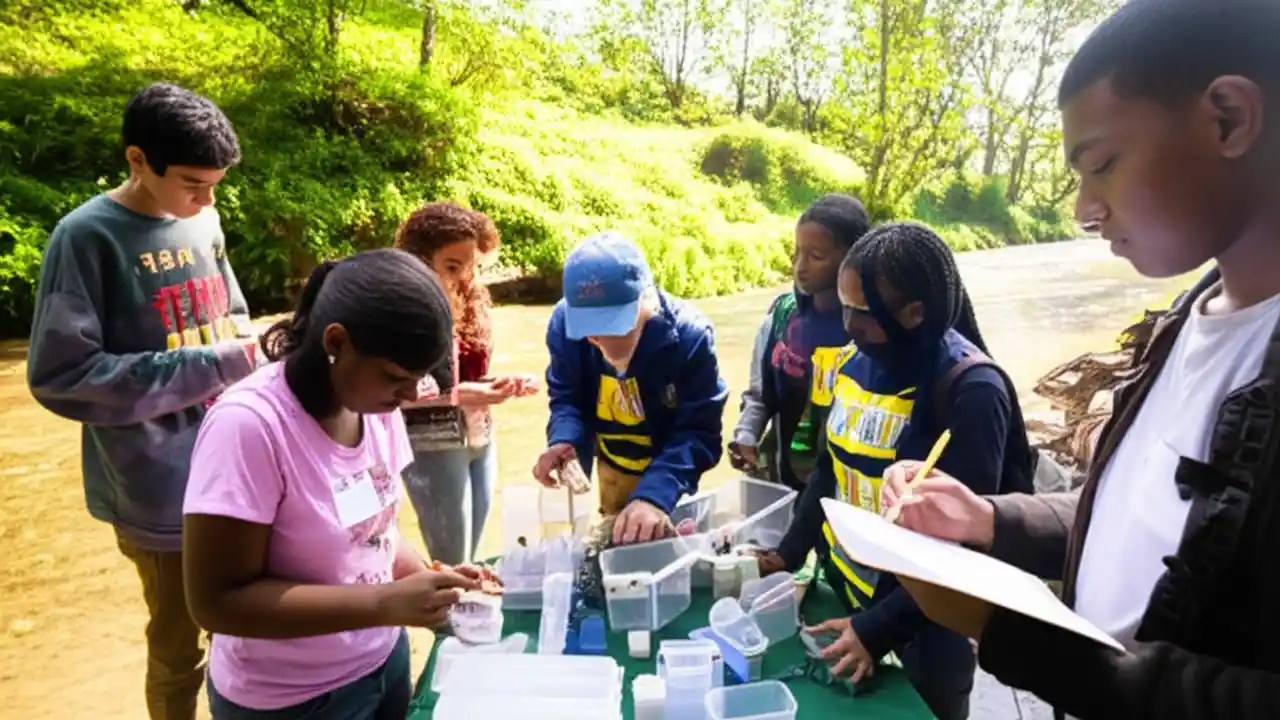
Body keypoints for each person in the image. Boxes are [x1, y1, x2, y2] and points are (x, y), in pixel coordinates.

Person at [879, 2, 1280, 718]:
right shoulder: (1189, 317)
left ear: (1228, 119)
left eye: (1101, 164)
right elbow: (1154, 516)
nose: (1083, 209)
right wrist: (989, 521)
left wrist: (1011, 636)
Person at [25, 82, 256, 720]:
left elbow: (230, 314)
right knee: (180, 644)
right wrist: (212, 363)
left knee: (246, 624)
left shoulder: (204, 218)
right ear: (136, 160)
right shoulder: (86, 237)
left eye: (216, 185)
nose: (207, 200)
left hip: (232, 463)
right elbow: (62, 375)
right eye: (191, 183)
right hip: (155, 485)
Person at [182, 249, 481, 719]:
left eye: (418, 379)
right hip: (290, 700)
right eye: (397, 378)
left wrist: (425, 581)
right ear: (337, 343)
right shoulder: (249, 428)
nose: (409, 396)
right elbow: (216, 602)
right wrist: (384, 602)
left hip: (381, 663)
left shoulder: (374, 408)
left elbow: (376, 530)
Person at [761, 223, 1035, 720]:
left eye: (862, 313)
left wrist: (876, 630)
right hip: (844, 592)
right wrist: (787, 554)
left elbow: (961, 545)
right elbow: (829, 472)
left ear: (914, 314)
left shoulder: (971, 391)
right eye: (843, 306)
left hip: (923, 628)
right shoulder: (851, 363)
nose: (848, 324)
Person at [533, 232, 728, 545]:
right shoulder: (563, 326)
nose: (598, 337)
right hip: (612, 465)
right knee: (609, 549)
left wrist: (654, 497)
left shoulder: (690, 337)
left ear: (645, 302)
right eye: (589, 328)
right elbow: (566, 398)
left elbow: (698, 433)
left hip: (670, 473)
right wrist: (563, 441)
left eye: (614, 324)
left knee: (669, 547)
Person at [393, 201, 539, 565]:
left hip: (480, 434)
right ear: (420, 259)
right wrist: (470, 393)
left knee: (471, 560)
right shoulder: (399, 307)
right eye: (452, 266)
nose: (463, 278)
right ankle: (447, 622)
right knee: (452, 562)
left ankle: (466, 619)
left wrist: (497, 384)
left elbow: (463, 375)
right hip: (432, 442)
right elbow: (393, 391)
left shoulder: (473, 298)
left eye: (471, 267)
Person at [730, 193, 870, 490]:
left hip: (844, 487)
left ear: (851, 258)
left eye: (816, 257)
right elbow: (760, 395)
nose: (800, 266)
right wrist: (746, 435)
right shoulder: (783, 317)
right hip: (783, 475)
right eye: (797, 253)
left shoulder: (867, 331)